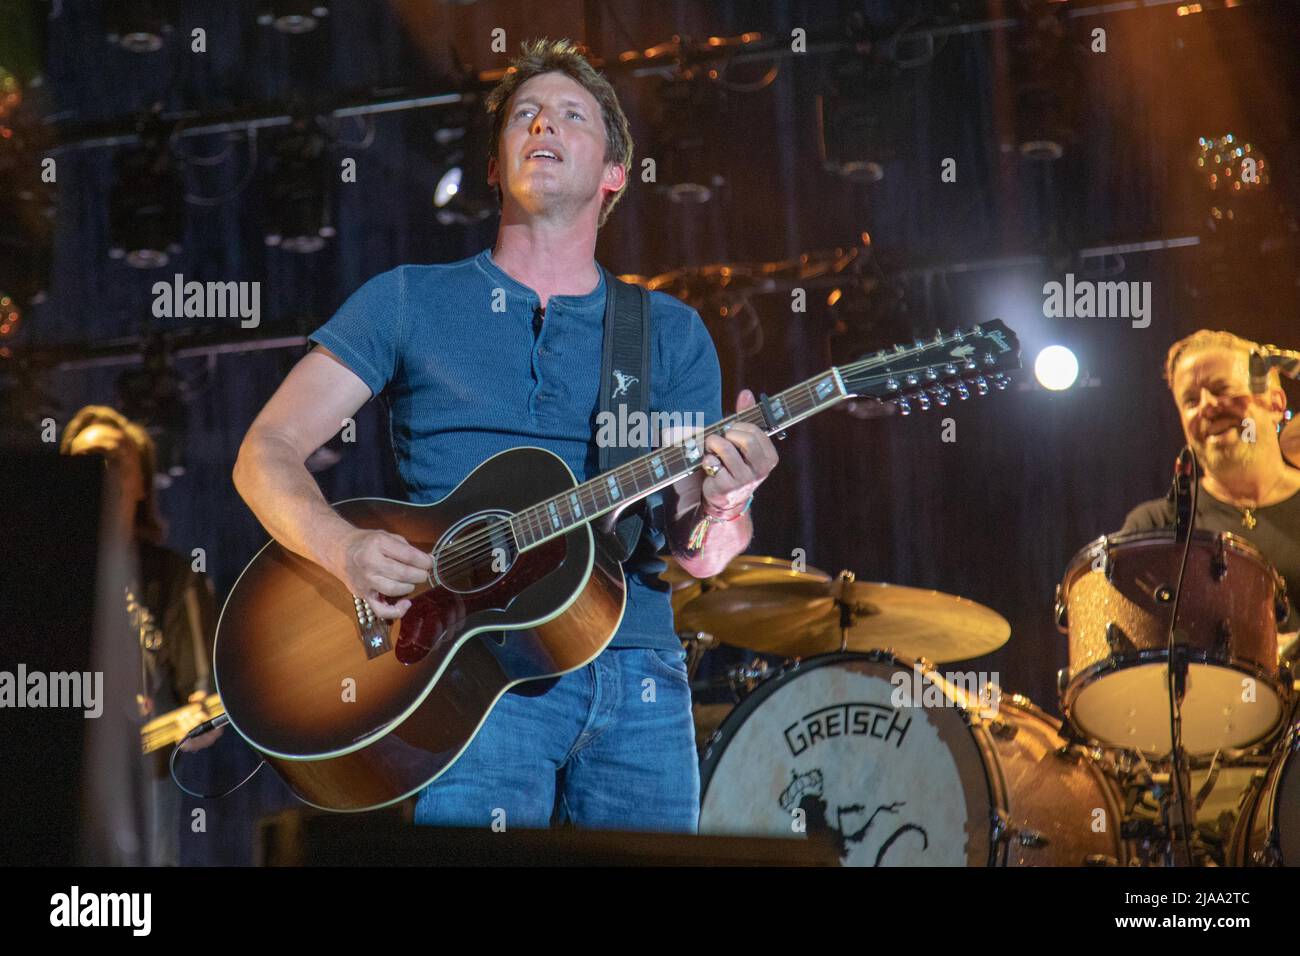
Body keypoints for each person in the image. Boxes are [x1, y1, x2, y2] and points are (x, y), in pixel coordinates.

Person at [232, 38, 779, 833]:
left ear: (615, 174)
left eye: (569, 115)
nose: (541, 125)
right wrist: (341, 549)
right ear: (494, 168)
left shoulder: (669, 332)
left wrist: (730, 504)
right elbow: (264, 452)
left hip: (640, 675)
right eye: (523, 115)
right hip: (470, 668)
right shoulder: (407, 300)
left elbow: (699, 553)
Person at [61, 405, 222, 865]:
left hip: (138, 793)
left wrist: (194, 720)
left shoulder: (171, 576)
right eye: (85, 459)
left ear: (140, 483)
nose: (99, 472)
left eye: (114, 460)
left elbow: (203, 701)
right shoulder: (32, 573)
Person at [1120, 330, 1300, 634]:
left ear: (1274, 403)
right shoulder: (1157, 525)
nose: (1205, 406)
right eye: (1191, 400)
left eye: (1221, 389)